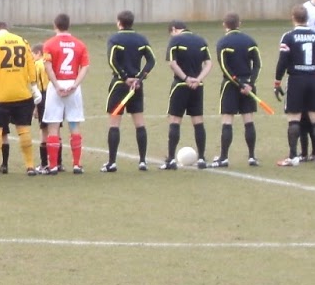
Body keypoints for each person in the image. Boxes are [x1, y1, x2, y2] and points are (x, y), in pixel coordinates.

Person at [0, 20, 42, 177]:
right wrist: (34, 87)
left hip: (2, 95)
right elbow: (31, 64)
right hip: (23, 93)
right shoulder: (23, 41)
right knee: (24, 130)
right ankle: (30, 166)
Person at [101, 11, 155, 172]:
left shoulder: (115, 39)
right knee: (139, 122)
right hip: (136, 87)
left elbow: (112, 60)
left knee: (114, 123)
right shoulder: (141, 39)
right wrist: (139, 77)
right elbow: (152, 60)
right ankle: (143, 161)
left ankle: (112, 163)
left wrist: (124, 77)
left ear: (119, 22)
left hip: (120, 86)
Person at [274, 7, 315, 166]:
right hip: (314, 79)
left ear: (293, 18)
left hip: (296, 79)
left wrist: (277, 81)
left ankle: (293, 156)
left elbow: (282, 61)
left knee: (294, 119)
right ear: (307, 19)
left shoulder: (288, 37)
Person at [39, 13, 90, 175]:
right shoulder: (79, 44)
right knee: (74, 125)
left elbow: (48, 66)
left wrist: (56, 85)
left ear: (55, 25)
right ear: (69, 25)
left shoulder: (49, 44)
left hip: (57, 86)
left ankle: (53, 166)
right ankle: (76, 164)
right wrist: (75, 85)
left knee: (53, 126)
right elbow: (85, 67)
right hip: (73, 86)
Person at [159, 19, 213, 169]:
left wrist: (185, 78)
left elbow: (172, 63)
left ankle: (170, 160)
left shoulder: (175, 40)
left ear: (174, 29)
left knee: (175, 120)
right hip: (197, 86)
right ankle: (201, 158)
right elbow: (209, 63)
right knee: (198, 121)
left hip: (180, 85)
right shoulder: (200, 40)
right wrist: (198, 79)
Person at [214, 12, 262, 167]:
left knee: (227, 120)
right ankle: (252, 157)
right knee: (248, 119)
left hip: (230, 85)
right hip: (248, 85)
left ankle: (224, 158)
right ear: (239, 23)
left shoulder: (222, 43)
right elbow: (257, 64)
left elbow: (224, 67)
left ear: (224, 25)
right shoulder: (250, 41)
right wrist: (249, 83)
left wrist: (238, 83)